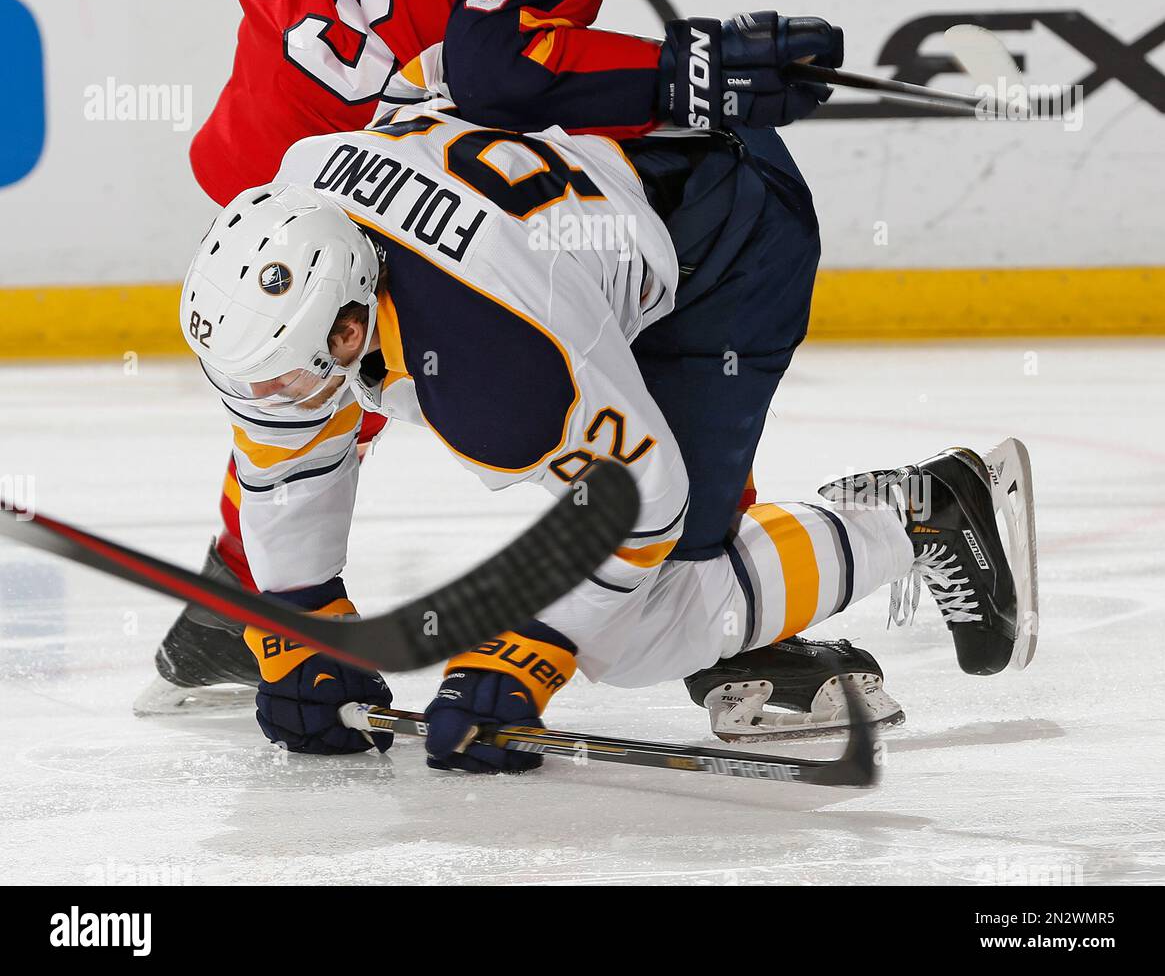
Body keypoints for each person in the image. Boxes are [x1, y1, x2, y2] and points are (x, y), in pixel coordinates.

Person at [140, 0, 894, 738]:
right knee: (620, 338)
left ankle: (250, 596)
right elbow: (504, 75)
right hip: (403, 140)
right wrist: (688, 73)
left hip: (278, 119)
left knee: (302, 366)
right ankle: (711, 607)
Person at [170, 103, 1034, 767]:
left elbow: (639, 500)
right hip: (609, 167)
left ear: (356, 327)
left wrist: (534, 651)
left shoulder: (492, 369)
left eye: (280, 371)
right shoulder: (301, 201)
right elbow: (287, 453)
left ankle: (920, 515)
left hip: (725, 236)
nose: (266, 395)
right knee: (632, 590)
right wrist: (298, 616)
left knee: (642, 628)